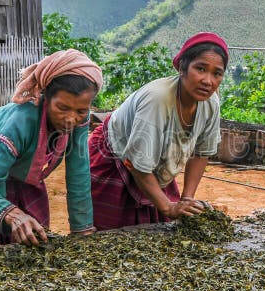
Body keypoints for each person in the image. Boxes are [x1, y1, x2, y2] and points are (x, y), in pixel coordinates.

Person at [0, 49, 102, 249]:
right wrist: (11, 214)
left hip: (27, 168)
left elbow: (79, 173)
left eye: (81, 110)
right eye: (62, 108)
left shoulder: (80, 120)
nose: (71, 119)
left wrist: (82, 229)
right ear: (45, 97)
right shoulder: (20, 123)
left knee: (35, 233)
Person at [89, 32, 227, 230]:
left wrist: (186, 198)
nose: (208, 81)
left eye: (217, 73)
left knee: (161, 230)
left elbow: (201, 153)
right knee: (116, 235)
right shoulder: (157, 101)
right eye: (200, 69)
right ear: (182, 68)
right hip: (116, 158)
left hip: (155, 164)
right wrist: (167, 207)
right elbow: (136, 164)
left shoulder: (211, 103)